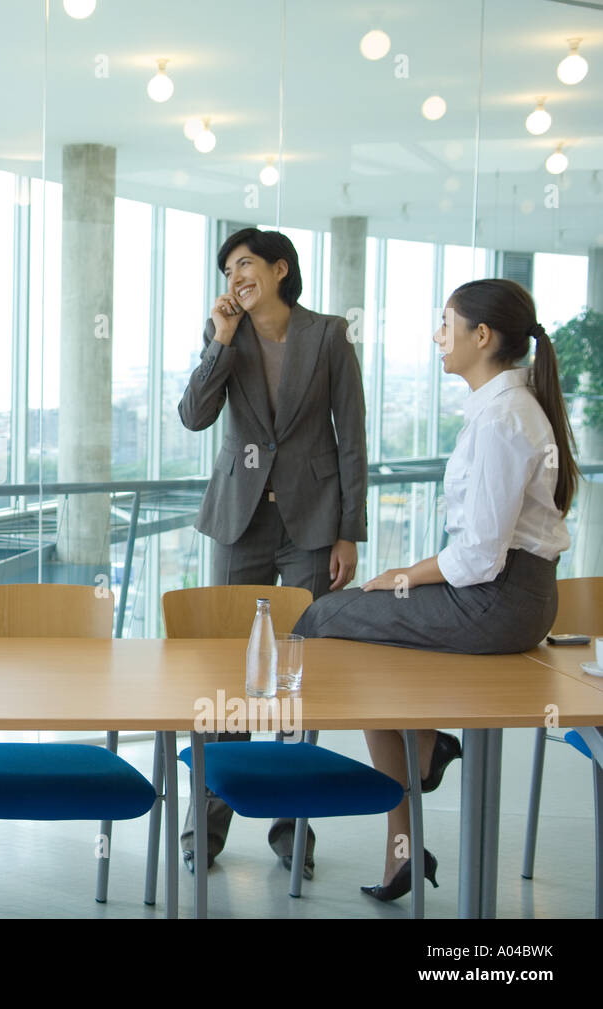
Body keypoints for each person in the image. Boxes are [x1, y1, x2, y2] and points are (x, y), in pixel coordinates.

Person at [294, 277, 577, 900]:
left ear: (482, 336)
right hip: (508, 596)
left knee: (324, 619)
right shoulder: (503, 409)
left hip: (496, 601)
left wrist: (403, 576)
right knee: (363, 635)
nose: (435, 336)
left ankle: (418, 752)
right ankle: (407, 825)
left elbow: (477, 556)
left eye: (445, 324)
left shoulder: (503, 418)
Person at [177, 228, 369, 876]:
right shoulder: (226, 336)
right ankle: (204, 829)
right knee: (227, 674)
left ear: (280, 268)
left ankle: (294, 836)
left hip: (313, 522)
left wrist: (350, 530)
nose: (237, 276)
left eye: (247, 263)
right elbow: (194, 414)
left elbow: (352, 438)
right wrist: (220, 341)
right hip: (239, 517)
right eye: (228, 268)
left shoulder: (330, 335)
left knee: (298, 677)